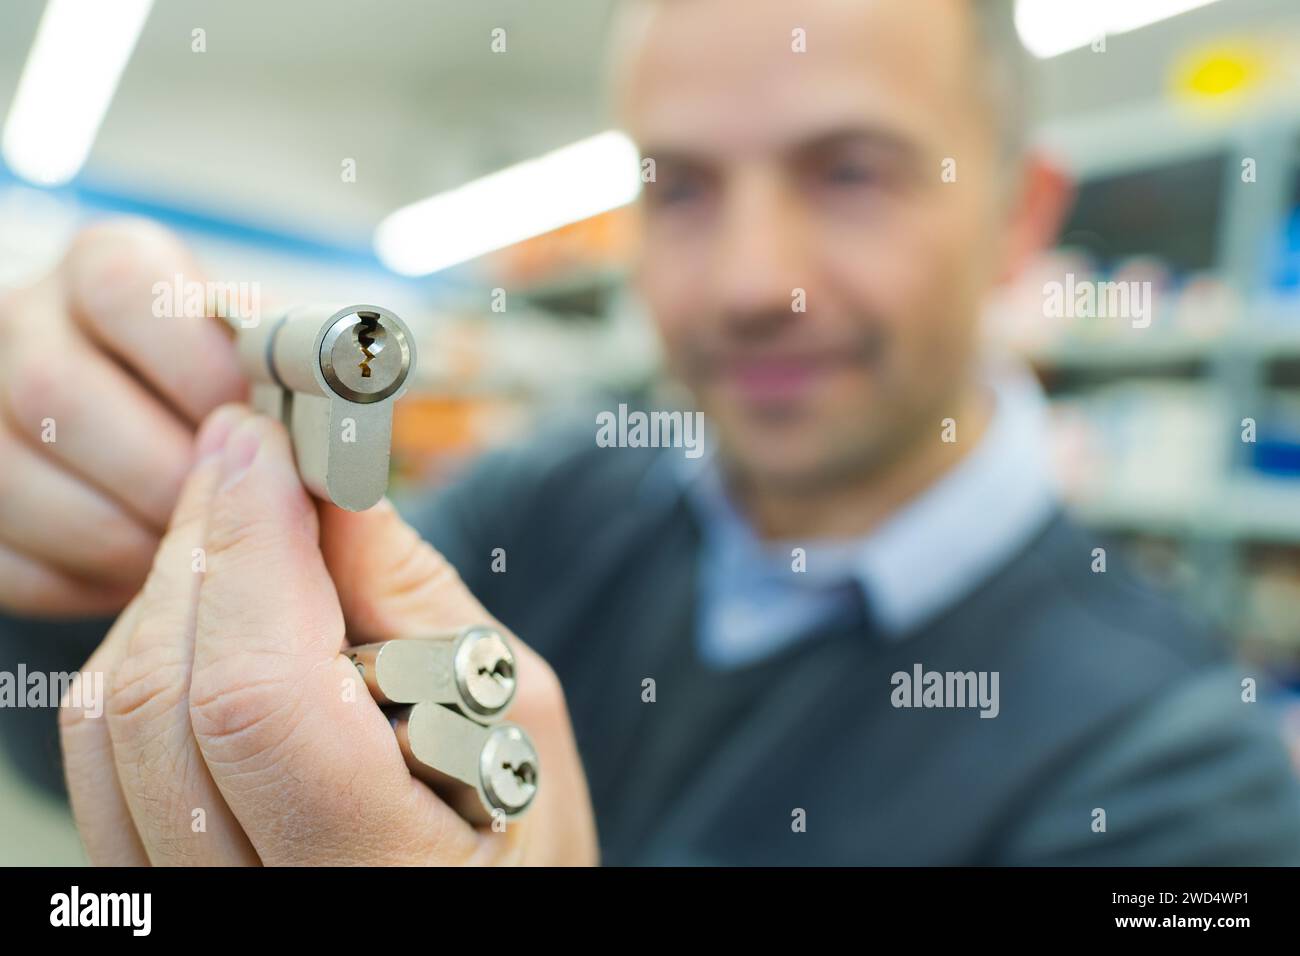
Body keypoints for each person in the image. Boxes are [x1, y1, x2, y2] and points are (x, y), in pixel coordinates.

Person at [1, 0, 1298, 865]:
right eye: (679, 187)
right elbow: (183, 743)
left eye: (851, 171)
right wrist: (81, 551)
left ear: (1020, 217)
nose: (749, 279)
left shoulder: (1183, 782)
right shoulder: (547, 505)